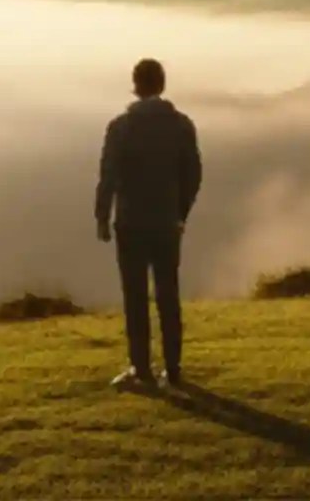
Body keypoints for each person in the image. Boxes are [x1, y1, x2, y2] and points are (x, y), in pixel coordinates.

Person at [95, 58, 201, 389]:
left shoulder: (121, 126)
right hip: (166, 223)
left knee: (135, 296)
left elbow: (108, 176)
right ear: (162, 84)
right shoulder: (182, 125)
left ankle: (141, 369)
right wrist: (179, 213)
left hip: (130, 222)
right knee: (169, 294)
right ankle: (174, 368)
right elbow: (193, 175)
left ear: (136, 85)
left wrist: (102, 216)